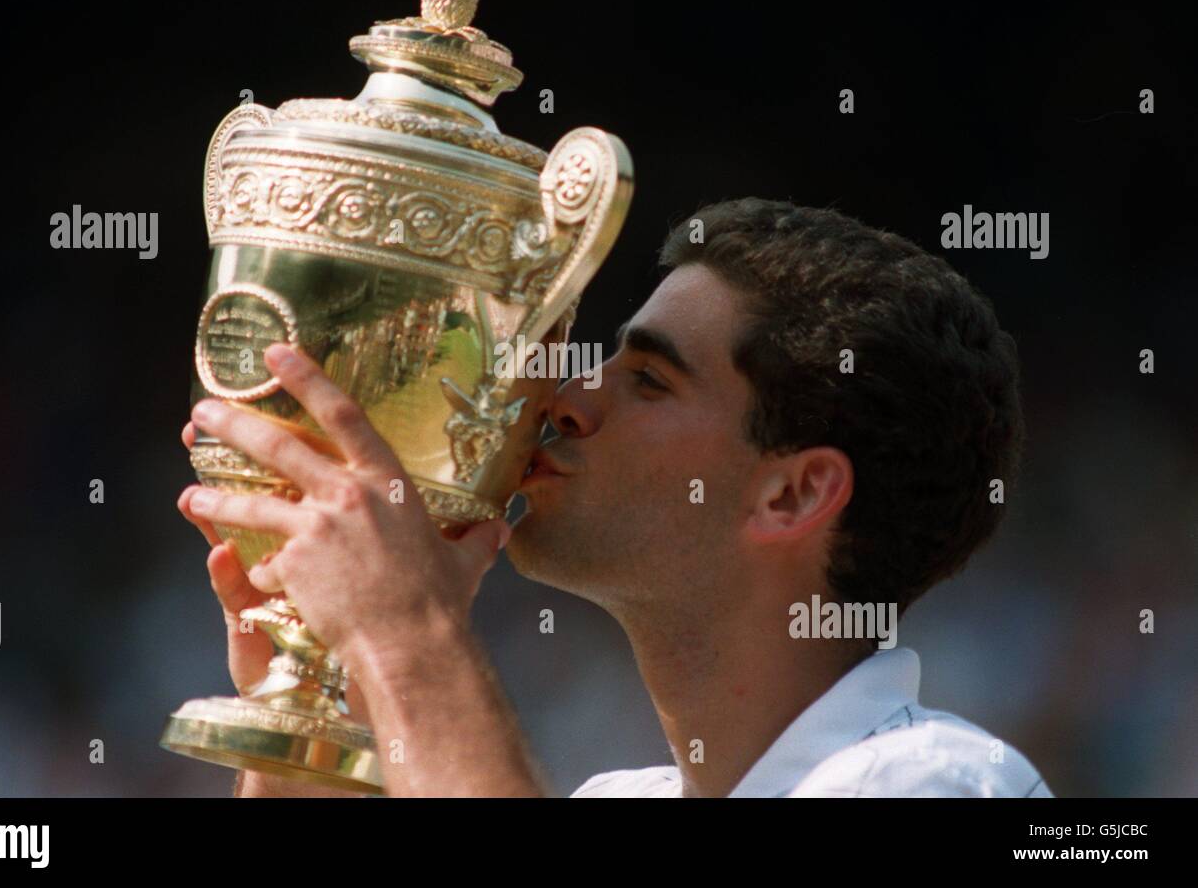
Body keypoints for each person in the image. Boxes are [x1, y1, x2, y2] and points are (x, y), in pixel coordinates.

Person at [177, 197, 1052, 798]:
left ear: (792, 494)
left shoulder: (939, 781)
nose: (565, 398)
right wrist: (317, 700)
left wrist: (403, 634)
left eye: (648, 380)